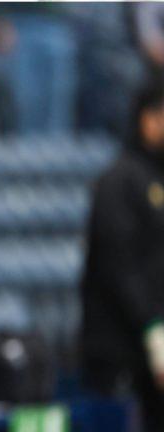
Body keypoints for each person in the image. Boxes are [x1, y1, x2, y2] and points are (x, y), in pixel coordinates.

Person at [81, 79, 164, 432]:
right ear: (149, 119)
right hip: (121, 352)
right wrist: (154, 330)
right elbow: (120, 266)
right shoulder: (120, 180)